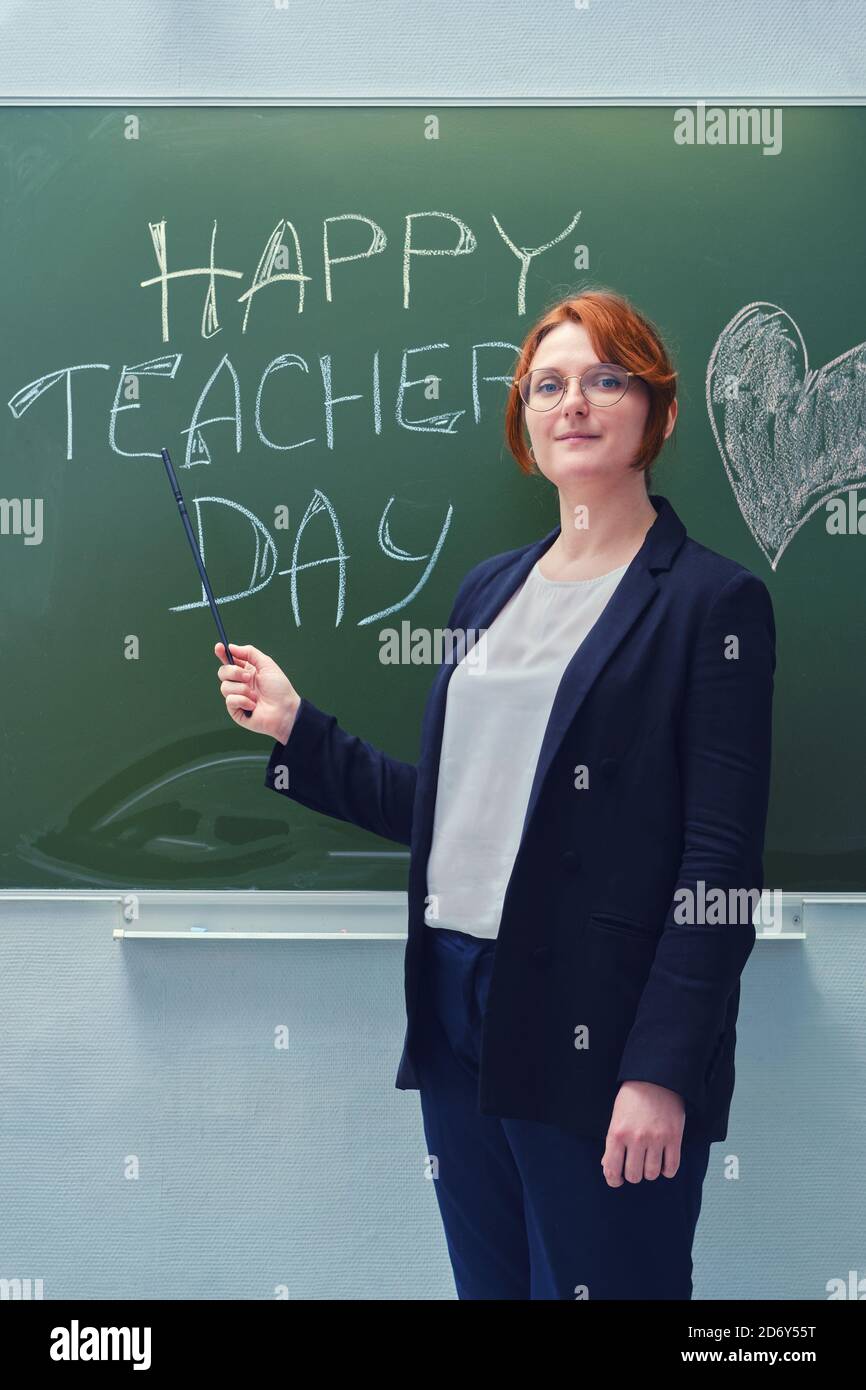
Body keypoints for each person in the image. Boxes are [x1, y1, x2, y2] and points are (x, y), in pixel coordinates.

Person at [215, 288, 776, 1300]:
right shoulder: (487, 590)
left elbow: (720, 865)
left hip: (598, 1023)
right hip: (455, 1004)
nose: (573, 402)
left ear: (654, 408)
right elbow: (452, 814)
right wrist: (300, 731)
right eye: (548, 384)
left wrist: (659, 1067)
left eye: (605, 379)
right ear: (523, 418)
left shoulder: (710, 601)